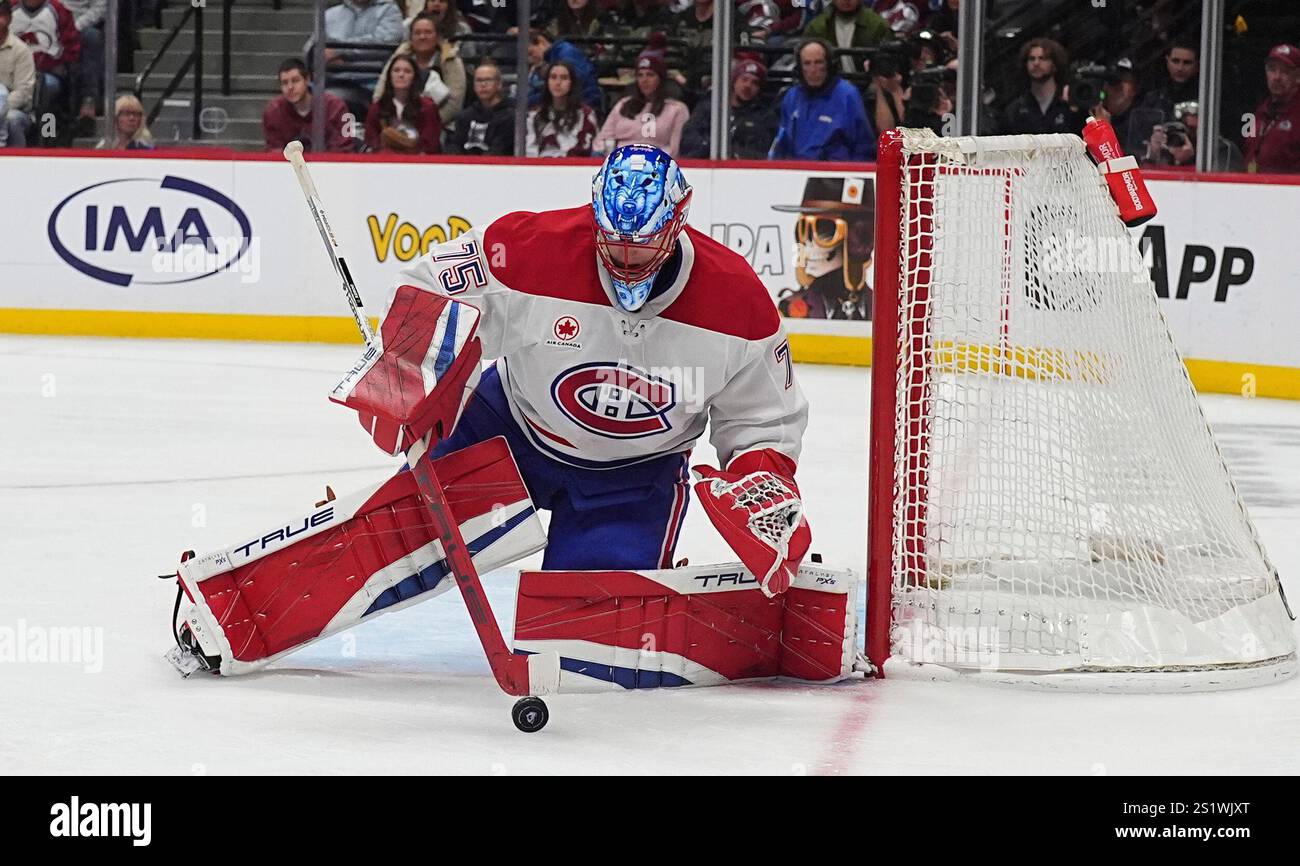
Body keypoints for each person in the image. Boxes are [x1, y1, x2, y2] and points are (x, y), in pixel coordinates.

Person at [404, 143, 809, 585]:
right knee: (396, 542)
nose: (626, 260)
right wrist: (403, 375)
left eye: (643, 245)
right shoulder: (530, 247)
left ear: (677, 220)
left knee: (590, 626)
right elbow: (431, 290)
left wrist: (760, 479)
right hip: (507, 426)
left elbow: (765, 419)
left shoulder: (738, 300)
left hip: (634, 476)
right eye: (614, 244)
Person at [769, 37, 875, 161]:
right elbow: (781, 143)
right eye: (807, 63)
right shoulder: (792, 97)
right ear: (799, 68)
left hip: (834, 172)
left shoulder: (848, 95)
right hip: (797, 171)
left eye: (818, 62)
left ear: (829, 64)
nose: (813, 70)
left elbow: (863, 147)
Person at [374, 13, 466, 127]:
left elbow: (454, 104)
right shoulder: (400, 56)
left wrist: (427, 125)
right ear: (411, 37)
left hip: (439, 124)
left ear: (438, 37)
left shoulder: (450, 58)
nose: (422, 37)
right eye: (417, 33)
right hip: (395, 122)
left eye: (428, 32)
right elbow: (380, 91)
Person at [679, 55, 778, 159]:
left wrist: (735, 152)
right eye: (744, 79)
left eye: (755, 83)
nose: (748, 85)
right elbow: (688, 140)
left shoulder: (764, 116)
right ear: (734, 81)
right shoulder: (709, 108)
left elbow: (764, 153)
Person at [594, 48, 689, 156]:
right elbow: (601, 140)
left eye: (650, 75)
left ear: (661, 79)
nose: (644, 80)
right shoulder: (623, 104)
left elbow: (675, 149)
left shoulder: (677, 109)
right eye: (640, 75)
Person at [262, 58, 357, 152]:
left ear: (307, 80)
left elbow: (344, 149)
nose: (290, 87)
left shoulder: (336, 107)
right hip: (290, 166)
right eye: (284, 83)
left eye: (295, 80)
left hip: (328, 165)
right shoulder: (273, 111)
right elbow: (274, 152)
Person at [9, 0, 80, 118]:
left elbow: (71, 48)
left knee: (46, 88)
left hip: (49, 73)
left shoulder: (59, 10)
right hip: (12, 74)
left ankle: (48, 132)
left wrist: (51, 64)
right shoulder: (8, 9)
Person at [1000, 37, 1083, 136]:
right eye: (1031, 59)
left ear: (1055, 64)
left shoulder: (1071, 104)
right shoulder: (1014, 110)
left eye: (1043, 58)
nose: (1036, 63)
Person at [365, 53, 441, 152]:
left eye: (407, 71)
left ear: (414, 77)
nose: (401, 75)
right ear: (389, 76)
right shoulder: (377, 108)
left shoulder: (428, 108)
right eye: (396, 70)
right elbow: (371, 142)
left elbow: (430, 145)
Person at [1244, 43, 1300, 174]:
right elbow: (1246, 148)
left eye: (1285, 71)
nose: (1277, 77)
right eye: (1272, 69)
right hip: (1252, 187)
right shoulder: (1258, 111)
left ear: (1298, 77)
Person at [526, 59, 598, 156]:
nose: (558, 82)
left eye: (564, 78)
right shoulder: (535, 116)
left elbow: (586, 148)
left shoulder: (586, 115)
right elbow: (530, 151)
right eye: (553, 77)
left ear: (571, 83)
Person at [445, 58, 515, 155]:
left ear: (499, 84)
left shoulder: (510, 116)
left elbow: (500, 150)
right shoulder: (464, 116)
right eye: (479, 80)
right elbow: (454, 145)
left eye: (488, 80)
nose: (483, 85)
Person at [801, 0, 890, 75]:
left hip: (869, 86)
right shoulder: (817, 27)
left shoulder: (877, 25)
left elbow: (888, 67)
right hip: (829, 87)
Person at [525, 29, 602, 109]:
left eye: (531, 53)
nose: (530, 59)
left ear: (540, 41)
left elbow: (569, 86)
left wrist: (528, 102)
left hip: (583, 104)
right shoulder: (554, 56)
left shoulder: (566, 53)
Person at [0, 2, 36, 147]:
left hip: (14, 109)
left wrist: (0, 108)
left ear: (9, 18)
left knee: (12, 119)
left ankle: (17, 161)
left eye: (0, 15)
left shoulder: (21, 51)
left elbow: (23, 93)